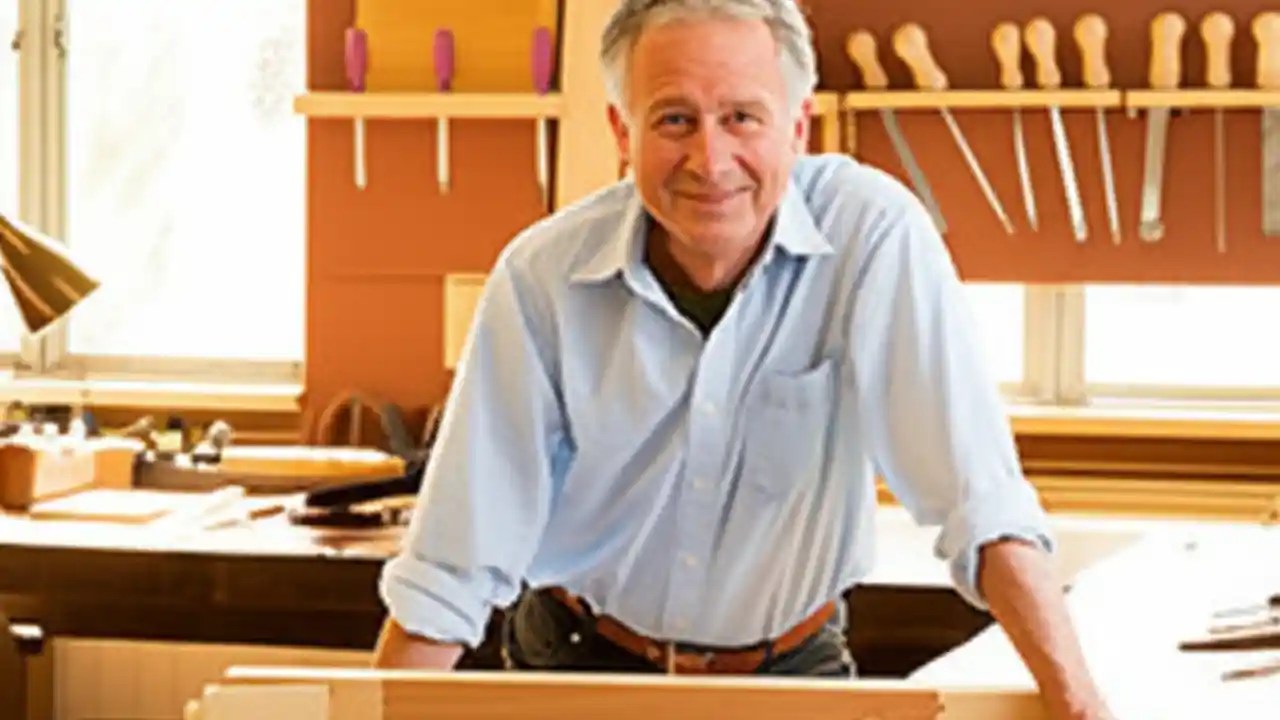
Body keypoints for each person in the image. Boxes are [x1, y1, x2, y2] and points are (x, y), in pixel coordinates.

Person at [372, 1, 1112, 717]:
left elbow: (979, 503)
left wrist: (1078, 704)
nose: (709, 158)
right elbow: (453, 568)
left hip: (793, 675)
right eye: (673, 120)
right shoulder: (542, 278)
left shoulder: (872, 237)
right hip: (580, 663)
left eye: (741, 118)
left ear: (798, 126)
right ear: (621, 133)